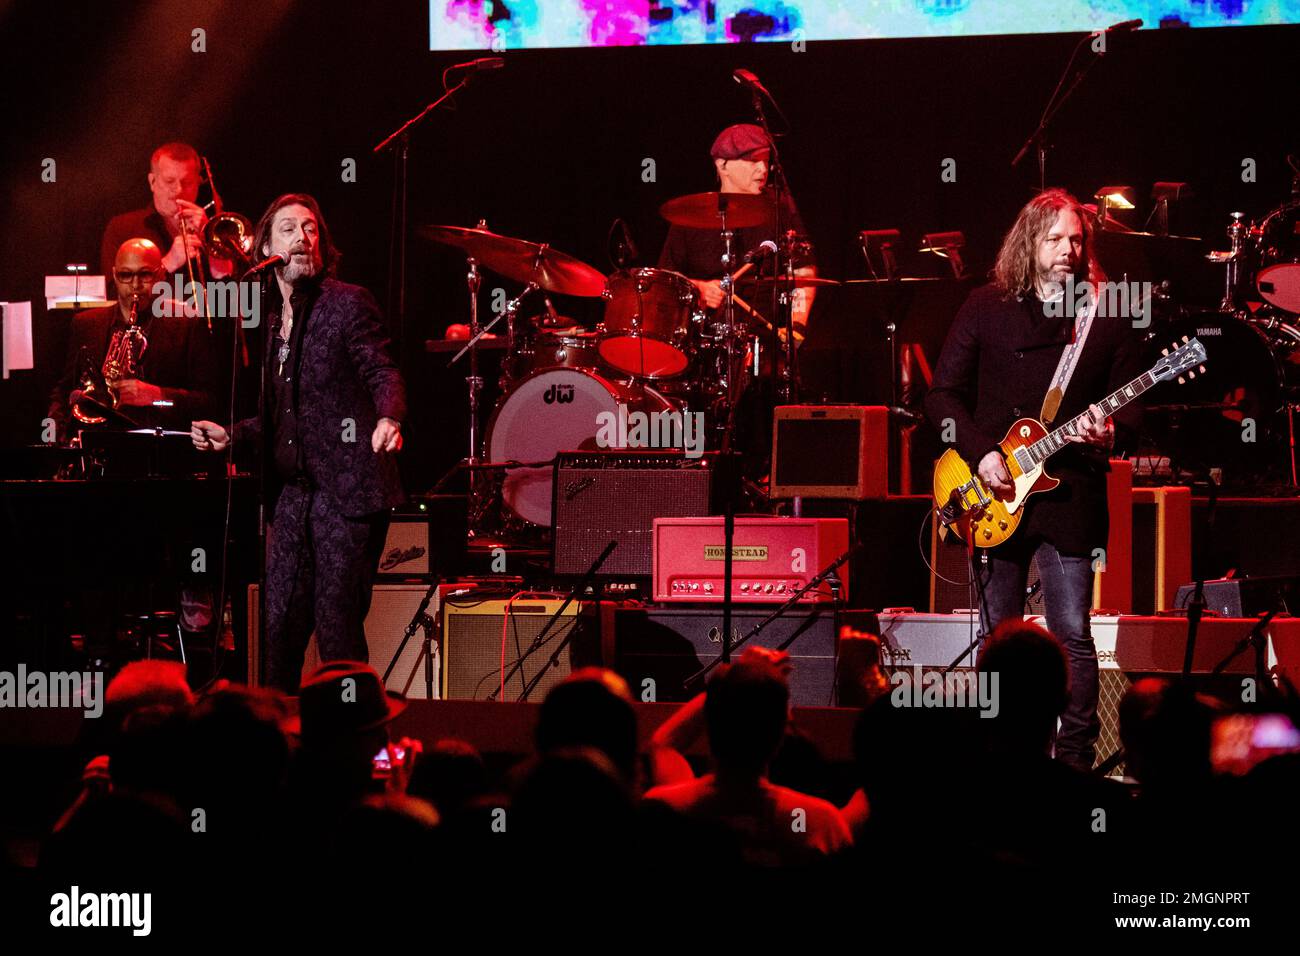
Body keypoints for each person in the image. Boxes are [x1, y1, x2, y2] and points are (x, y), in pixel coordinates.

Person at [923, 188, 1145, 771]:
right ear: (1028, 243)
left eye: (1077, 239)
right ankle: (1002, 760)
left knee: (1073, 635)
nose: (1069, 250)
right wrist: (981, 454)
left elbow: (1138, 411)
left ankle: (1070, 766)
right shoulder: (985, 306)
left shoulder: (1106, 313)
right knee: (1002, 640)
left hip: (1069, 496)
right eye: (1055, 239)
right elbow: (941, 395)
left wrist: (1111, 432)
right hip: (993, 492)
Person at [190, 194, 406, 692]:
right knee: (278, 630)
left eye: (310, 229)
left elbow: (382, 368)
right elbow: (284, 418)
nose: (302, 238)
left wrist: (389, 416)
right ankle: (277, 744)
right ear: (266, 247)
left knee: (337, 632)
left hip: (348, 494)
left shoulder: (347, 302)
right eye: (288, 229)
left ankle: (353, 746)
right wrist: (233, 436)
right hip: (295, 497)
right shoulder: (270, 322)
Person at [643, 650, 851, 866]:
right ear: (781, 734)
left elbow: (663, 744)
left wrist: (736, 681)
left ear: (710, 724)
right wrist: (756, 684)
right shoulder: (820, 826)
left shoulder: (667, 810)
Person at [49, 237, 218, 437]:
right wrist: (55, 436)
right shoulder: (85, 323)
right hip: (101, 443)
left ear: (161, 275)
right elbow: (65, 391)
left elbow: (210, 401)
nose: (135, 285)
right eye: (125, 275)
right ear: (114, 274)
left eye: (145, 274)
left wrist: (157, 396)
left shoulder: (187, 323)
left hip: (162, 451)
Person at [100, 142, 229, 281]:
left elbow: (233, 287)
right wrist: (168, 263)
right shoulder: (122, 228)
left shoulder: (215, 229)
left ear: (198, 183)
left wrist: (210, 238)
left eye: (187, 182)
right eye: (169, 181)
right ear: (152, 182)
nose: (179, 189)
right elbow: (113, 293)